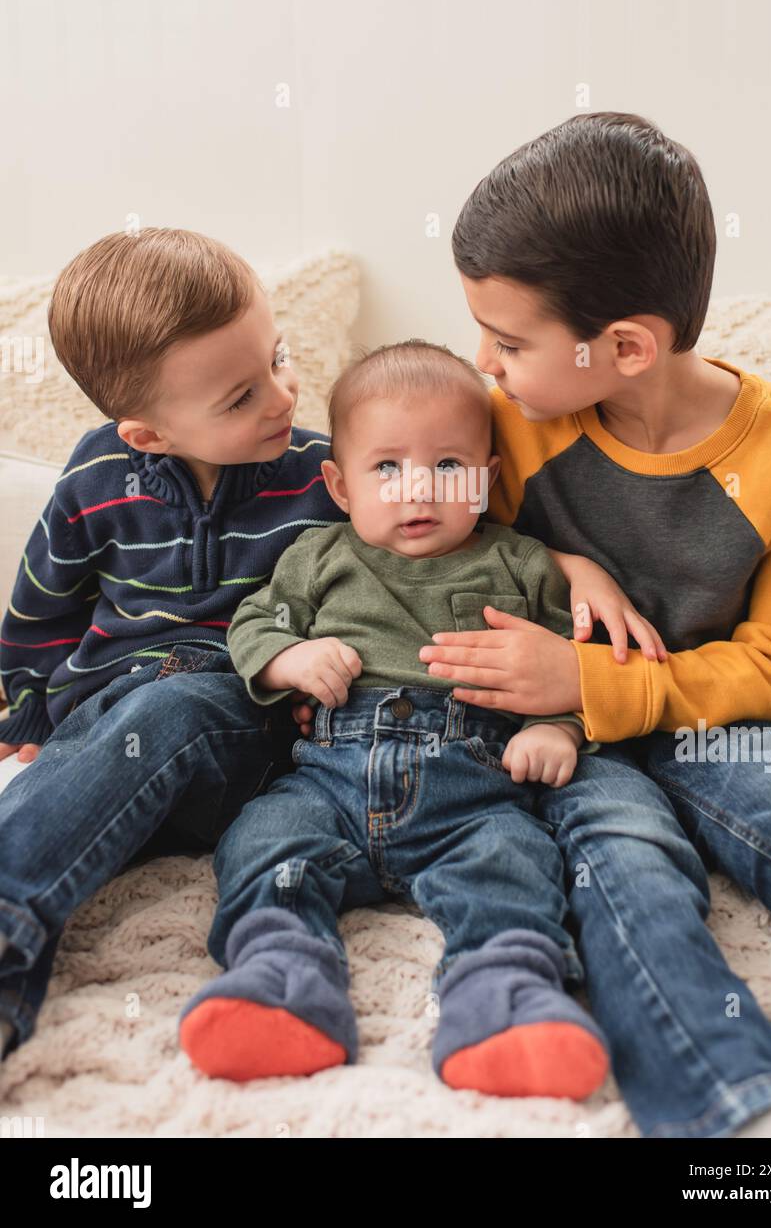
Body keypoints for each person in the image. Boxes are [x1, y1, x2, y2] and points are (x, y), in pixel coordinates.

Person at [381, 110, 771, 1138]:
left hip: (704, 714)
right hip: (566, 746)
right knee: (629, 871)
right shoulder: (502, 417)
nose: (485, 360)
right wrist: (565, 561)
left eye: (509, 340)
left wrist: (598, 684)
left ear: (628, 346)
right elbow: (421, 533)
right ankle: (744, 1111)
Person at [179, 339, 663, 1097]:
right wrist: (290, 662)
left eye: (448, 466)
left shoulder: (521, 565)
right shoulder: (316, 557)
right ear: (338, 486)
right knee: (265, 843)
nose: (418, 491)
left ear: (488, 478)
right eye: (386, 467)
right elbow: (253, 625)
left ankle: (504, 998)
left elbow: (577, 674)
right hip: (330, 786)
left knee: (513, 867)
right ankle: (280, 975)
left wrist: (556, 729)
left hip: (474, 795)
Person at [0, 227, 345, 1058]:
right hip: (104, 708)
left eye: (279, 356)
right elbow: (43, 612)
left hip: (236, 711)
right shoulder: (91, 479)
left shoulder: (323, 475)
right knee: (100, 744)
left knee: (175, 705)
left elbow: (374, 594)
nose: (281, 396)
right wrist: (29, 719)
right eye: (238, 398)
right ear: (147, 433)